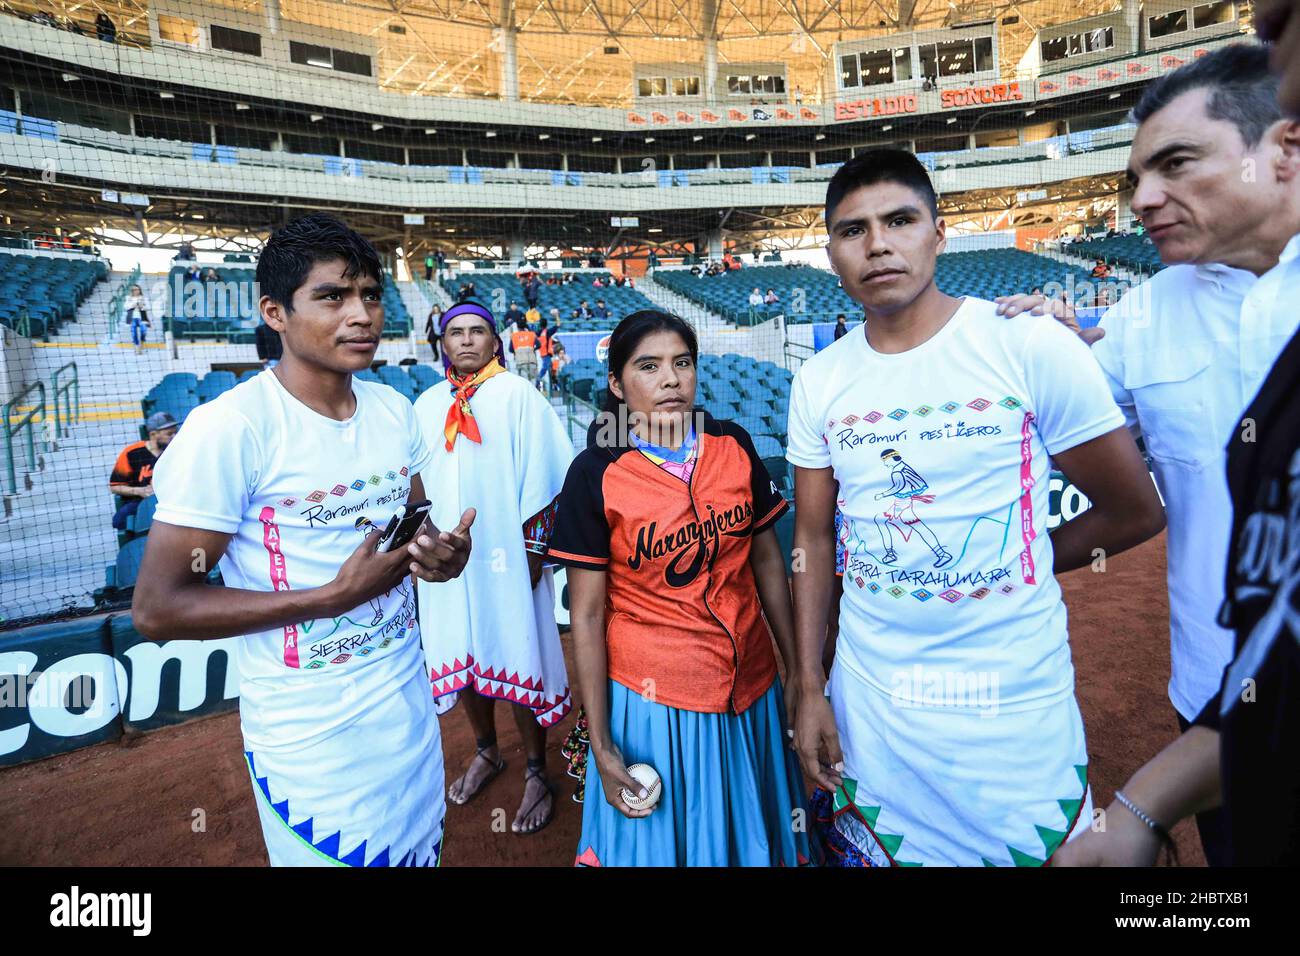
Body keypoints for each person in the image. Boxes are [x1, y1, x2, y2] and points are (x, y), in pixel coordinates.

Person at [790, 150, 1165, 867]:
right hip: (874, 706)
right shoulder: (819, 380)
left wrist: (1017, 554)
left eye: (899, 220)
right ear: (832, 253)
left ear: (939, 233)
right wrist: (809, 686)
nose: (877, 244)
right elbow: (811, 536)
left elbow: (1135, 509)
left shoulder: (1027, 344)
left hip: (1013, 706)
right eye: (852, 230)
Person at [996, 44, 1300, 865]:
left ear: (1283, 150)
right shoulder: (1145, 310)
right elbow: (1064, 431)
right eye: (1135, 178)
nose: (1144, 199)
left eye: (1175, 164)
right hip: (1209, 693)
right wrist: (1047, 352)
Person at [130, 214, 474, 867]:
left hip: (405, 708)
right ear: (275, 312)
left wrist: (437, 554)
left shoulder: (394, 411)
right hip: (310, 739)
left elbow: (413, 528)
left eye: (371, 295)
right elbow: (156, 609)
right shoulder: (230, 430)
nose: (362, 314)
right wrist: (329, 598)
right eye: (332, 296)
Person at [548, 309, 813, 866]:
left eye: (682, 363)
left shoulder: (732, 443)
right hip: (657, 700)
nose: (671, 379)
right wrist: (601, 743)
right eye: (649, 366)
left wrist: (797, 676)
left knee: (750, 834)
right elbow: (588, 615)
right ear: (618, 384)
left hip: (753, 681)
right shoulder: (594, 472)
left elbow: (768, 562)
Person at [414, 301, 574, 835]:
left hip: (508, 563)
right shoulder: (427, 403)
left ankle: (535, 769)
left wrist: (531, 558)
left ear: (495, 341)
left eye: (476, 331)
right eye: (454, 332)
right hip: (444, 566)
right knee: (462, 658)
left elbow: (550, 481)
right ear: (442, 343)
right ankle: (487, 751)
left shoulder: (518, 396)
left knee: (515, 655)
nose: (464, 340)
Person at [109, 412, 177, 530]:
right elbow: (115, 487)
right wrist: (139, 491)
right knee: (119, 520)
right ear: (153, 434)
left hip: (172, 501)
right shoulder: (131, 453)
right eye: (169, 434)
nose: (174, 436)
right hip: (141, 502)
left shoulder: (178, 450)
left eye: (176, 432)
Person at [509, 316, 539, 381]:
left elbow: (510, 349)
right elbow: (538, 345)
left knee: (524, 383)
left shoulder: (514, 336)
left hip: (520, 361)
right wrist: (533, 349)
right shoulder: (532, 334)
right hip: (532, 361)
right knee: (533, 383)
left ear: (517, 327)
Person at [123, 283, 150, 354]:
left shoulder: (144, 298)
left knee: (143, 331)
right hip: (132, 317)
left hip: (142, 317)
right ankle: (137, 347)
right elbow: (125, 307)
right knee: (134, 333)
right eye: (134, 290)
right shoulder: (128, 298)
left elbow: (148, 307)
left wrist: (142, 306)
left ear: (139, 290)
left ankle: (142, 343)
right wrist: (132, 305)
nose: (136, 291)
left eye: (137, 289)